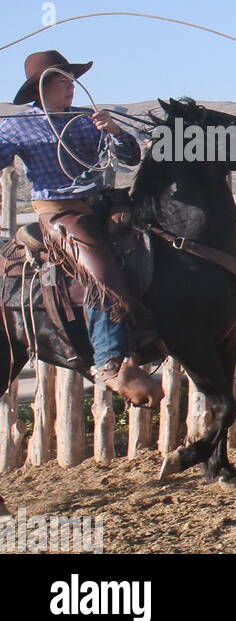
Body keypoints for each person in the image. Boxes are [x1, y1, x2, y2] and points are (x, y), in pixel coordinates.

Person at [0, 50, 161, 406]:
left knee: (155, 236)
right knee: (98, 269)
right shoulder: (16, 125)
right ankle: (109, 359)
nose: (71, 88)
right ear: (42, 88)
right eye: (62, 82)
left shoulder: (87, 119)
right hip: (58, 212)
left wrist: (116, 131)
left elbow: (131, 157)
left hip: (99, 203)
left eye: (72, 81)